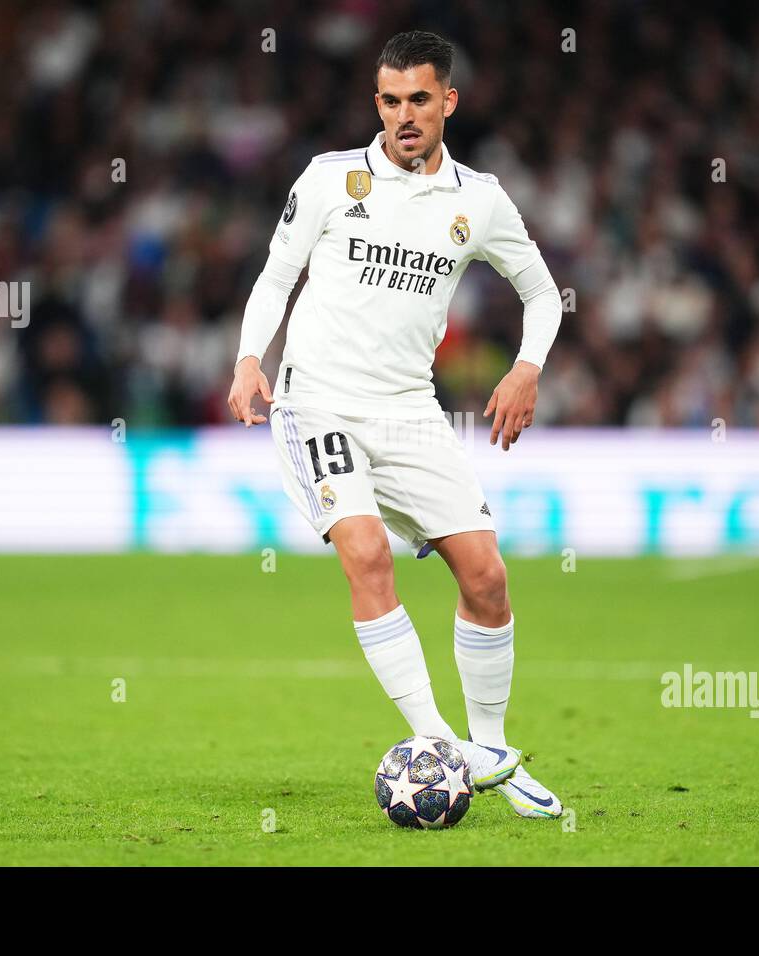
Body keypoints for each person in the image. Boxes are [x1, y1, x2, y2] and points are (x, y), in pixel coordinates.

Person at [228, 30, 564, 818]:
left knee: (487, 577)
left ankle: (492, 750)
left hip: (411, 411)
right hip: (318, 404)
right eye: (389, 100)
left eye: (419, 99)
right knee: (368, 552)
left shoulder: (478, 200)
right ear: (375, 102)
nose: (403, 115)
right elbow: (276, 277)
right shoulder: (329, 180)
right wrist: (250, 360)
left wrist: (527, 366)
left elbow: (543, 294)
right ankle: (441, 743)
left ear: (448, 101)